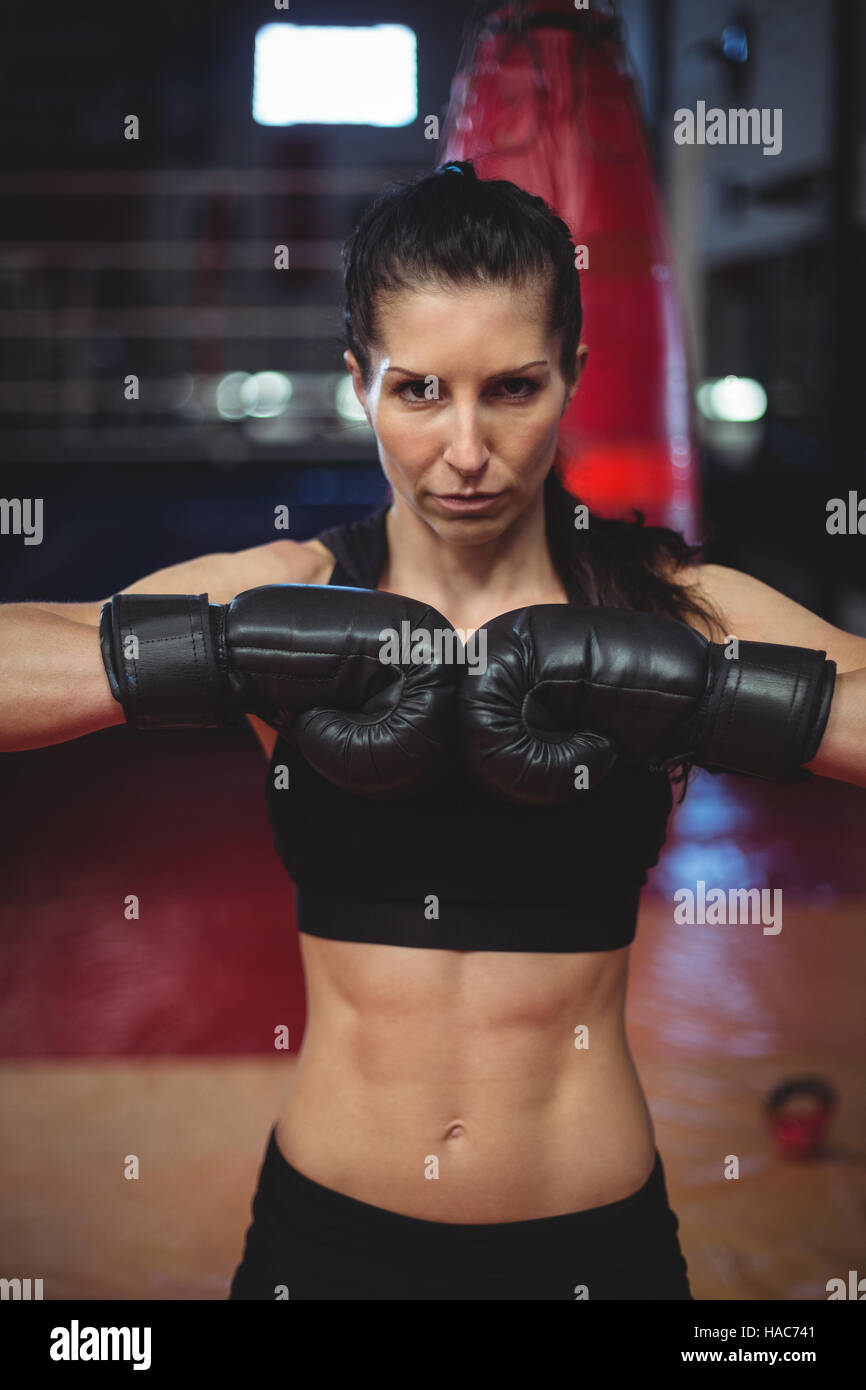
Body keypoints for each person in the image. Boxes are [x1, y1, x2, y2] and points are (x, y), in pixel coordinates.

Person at [2, 161, 865, 1301]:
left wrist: (705, 690)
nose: (465, 450)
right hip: (329, 1240)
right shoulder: (297, 591)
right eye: (417, 392)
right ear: (358, 380)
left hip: (591, 1244)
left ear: (574, 378)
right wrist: (215, 652)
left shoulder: (658, 601)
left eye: (511, 388)